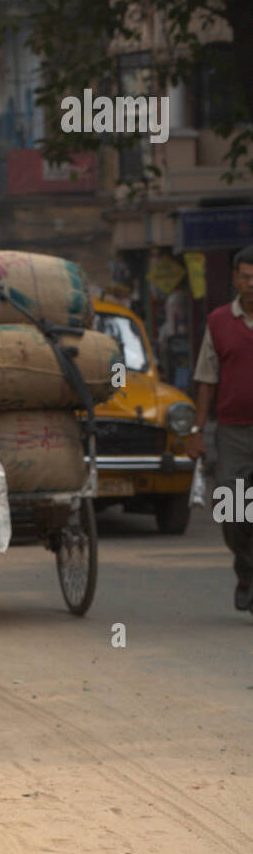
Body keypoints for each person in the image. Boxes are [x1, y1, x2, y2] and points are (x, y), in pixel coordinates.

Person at [189, 244, 253, 611]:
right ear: (235, 278)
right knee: (233, 510)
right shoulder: (218, 322)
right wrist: (197, 432)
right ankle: (246, 569)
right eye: (245, 276)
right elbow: (207, 380)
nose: (251, 283)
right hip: (231, 432)